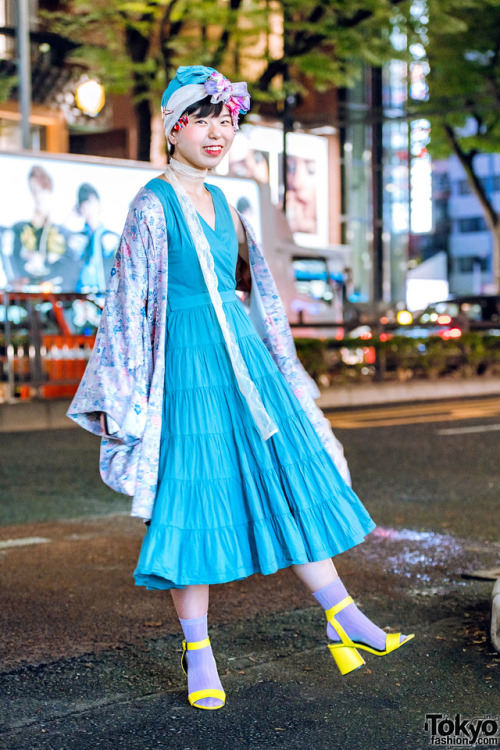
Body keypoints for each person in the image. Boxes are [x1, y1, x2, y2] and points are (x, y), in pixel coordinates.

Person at [67, 65, 413, 711]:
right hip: (189, 372)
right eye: (204, 118)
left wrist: (284, 369)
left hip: (243, 363)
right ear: (174, 127)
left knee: (289, 481)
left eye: (228, 119)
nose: (220, 130)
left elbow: (259, 298)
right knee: (192, 505)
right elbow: (127, 303)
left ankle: (343, 615)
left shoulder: (227, 204)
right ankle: (198, 652)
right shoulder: (152, 202)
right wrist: (123, 398)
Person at [70, 183, 119, 293]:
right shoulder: (76, 238)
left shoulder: (111, 237)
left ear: (98, 203)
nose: (89, 207)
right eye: (84, 203)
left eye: (91, 202)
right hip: (80, 295)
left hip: (106, 295)